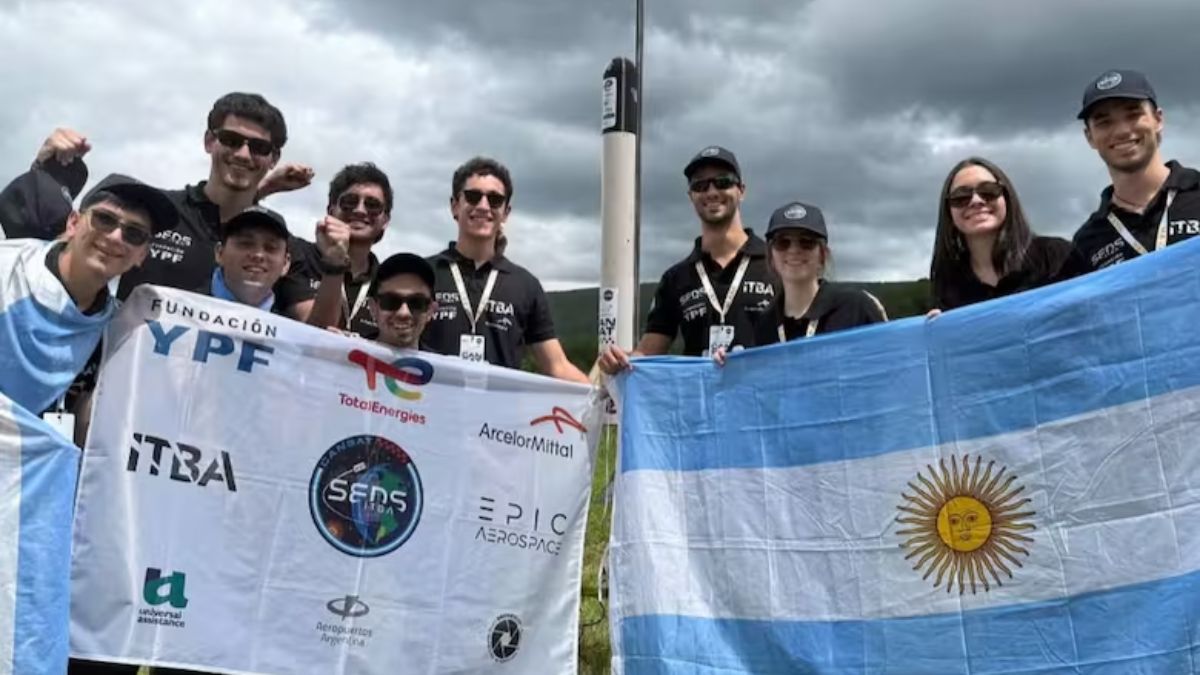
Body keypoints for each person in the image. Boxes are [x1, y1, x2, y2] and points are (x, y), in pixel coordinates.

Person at [0, 174, 175, 415]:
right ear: (73, 223)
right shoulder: (7, 268)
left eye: (134, 234)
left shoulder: (122, 330)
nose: (115, 237)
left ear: (142, 255)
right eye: (104, 219)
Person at [597, 145, 776, 375]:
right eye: (700, 185)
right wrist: (619, 360)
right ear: (691, 195)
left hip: (762, 404)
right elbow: (647, 355)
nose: (711, 192)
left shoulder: (777, 265)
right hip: (700, 408)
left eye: (723, 182)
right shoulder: (676, 278)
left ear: (741, 190)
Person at [421, 157, 588, 383]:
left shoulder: (525, 285)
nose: (483, 206)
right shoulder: (423, 273)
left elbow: (557, 366)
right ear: (454, 206)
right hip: (433, 412)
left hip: (499, 417)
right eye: (473, 196)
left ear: (506, 212)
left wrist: (606, 402)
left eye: (494, 199)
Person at [1072, 69, 1200, 271]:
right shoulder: (1087, 242)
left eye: (1133, 114)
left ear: (1158, 120)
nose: (1122, 130)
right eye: (1104, 122)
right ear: (1089, 137)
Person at [929, 157, 1078, 311]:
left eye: (988, 190)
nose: (976, 201)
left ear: (1006, 198)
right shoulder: (950, 282)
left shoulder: (1056, 256)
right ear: (949, 212)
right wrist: (936, 327)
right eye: (961, 196)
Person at [740, 201, 885, 355]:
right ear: (771, 256)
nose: (794, 250)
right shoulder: (764, 324)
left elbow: (892, 361)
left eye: (806, 242)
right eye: (783, 242)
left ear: (822, 254)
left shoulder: (856, 308)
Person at [283, 163, 394, 334]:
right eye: (350, 202)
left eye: (372, 205)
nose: (360, 210)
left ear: (385, 220)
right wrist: (334, 261)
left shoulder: (387, 282)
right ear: (331, 210)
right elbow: (316, 335)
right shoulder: (296, 254)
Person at [200, 206, 291, 312]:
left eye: (271, 248)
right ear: (220, 253)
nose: (258, 255)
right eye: (245, 243)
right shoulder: (177, 310)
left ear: (285, 264)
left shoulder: (292, 327)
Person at [368, 253, 438, 350]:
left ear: (431, 311)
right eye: (391, 301)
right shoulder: (344, 358)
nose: (404, 313)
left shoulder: (445, 365)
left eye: (416, 302)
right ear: (373, 308)